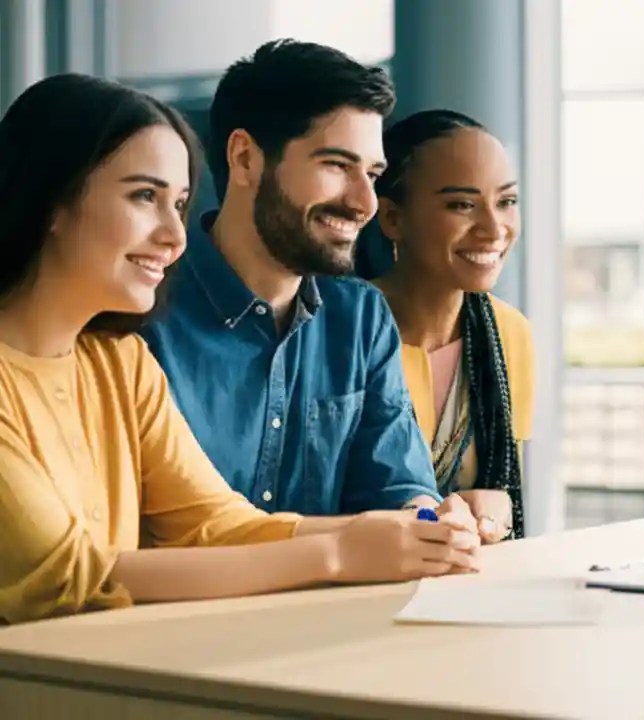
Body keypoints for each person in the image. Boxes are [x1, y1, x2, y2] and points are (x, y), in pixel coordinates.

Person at [0, 74, 478, 625]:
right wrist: (339, 551)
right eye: (143, 197)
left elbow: (212, 522)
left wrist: (405, 534)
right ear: (51, 200)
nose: (174, 237)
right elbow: (74, 579)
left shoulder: (119, 362)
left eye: (178, 204)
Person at [141, 40, 468, 525]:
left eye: (372, 173)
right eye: (336, 165)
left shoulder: (361, 318)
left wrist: (430, 522)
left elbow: (397, 486)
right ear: (246, 158)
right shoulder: (143, 314)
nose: (365, 203)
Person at [356, 110, 532, 541]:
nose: (494, 229)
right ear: (393, 218)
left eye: (506, 202)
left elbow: (505, 493)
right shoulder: (339, 332)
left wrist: (494, 511)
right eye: (462, 205)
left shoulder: (510, 334)